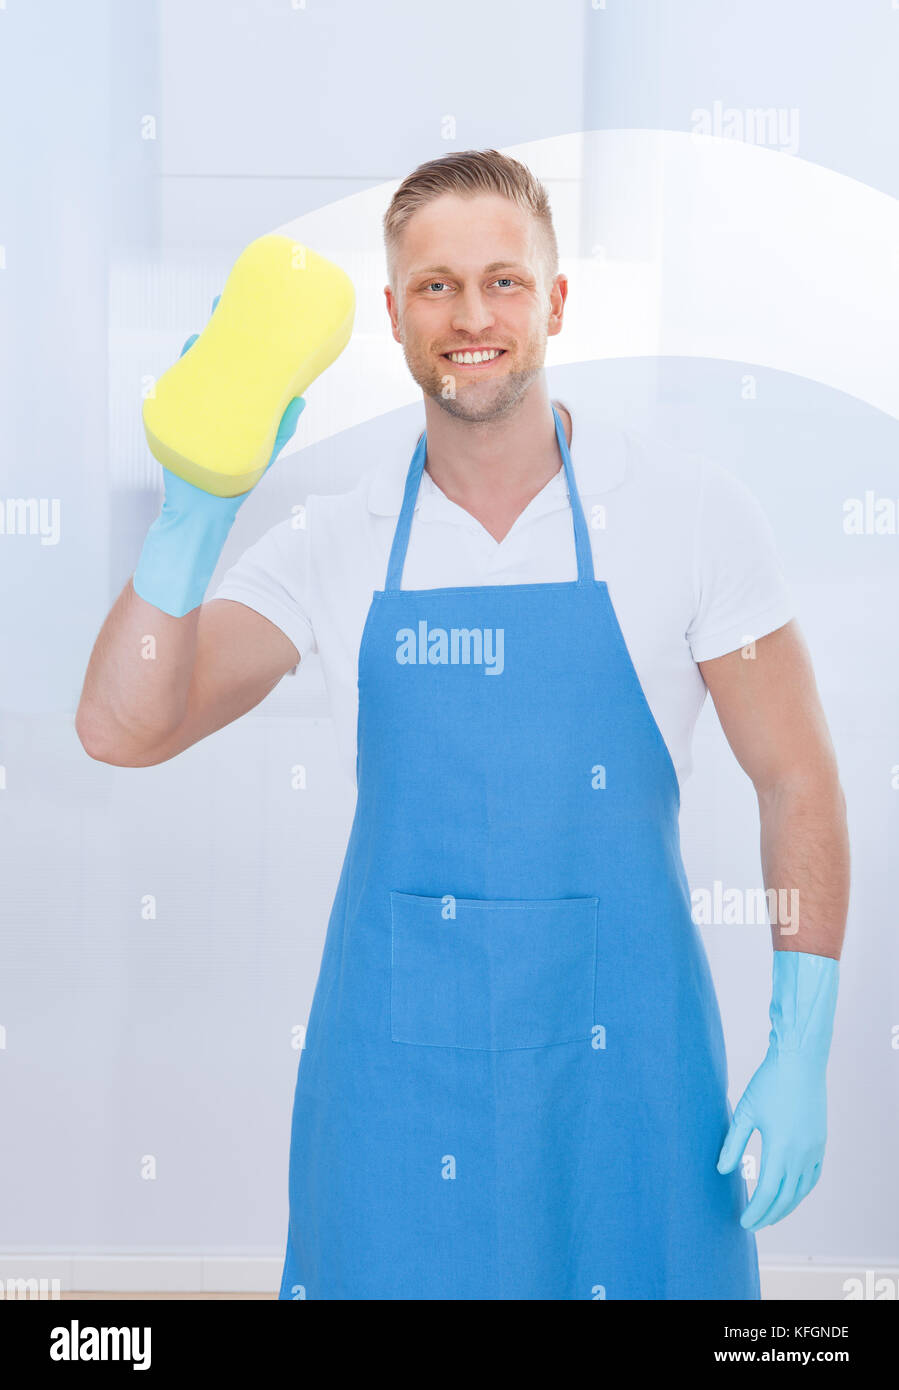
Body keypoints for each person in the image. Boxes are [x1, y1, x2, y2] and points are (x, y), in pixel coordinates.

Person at [76, 149, 849, 1301]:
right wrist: (194, 516)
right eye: (434, 286)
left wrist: (800, 1049)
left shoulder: (688, 514)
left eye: (502, 280)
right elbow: (123, 726)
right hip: (394, 1081)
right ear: (391, 315)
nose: (470, 314)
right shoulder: (337, 538)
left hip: (621, 1070)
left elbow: (795, 777)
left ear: (555, 300)